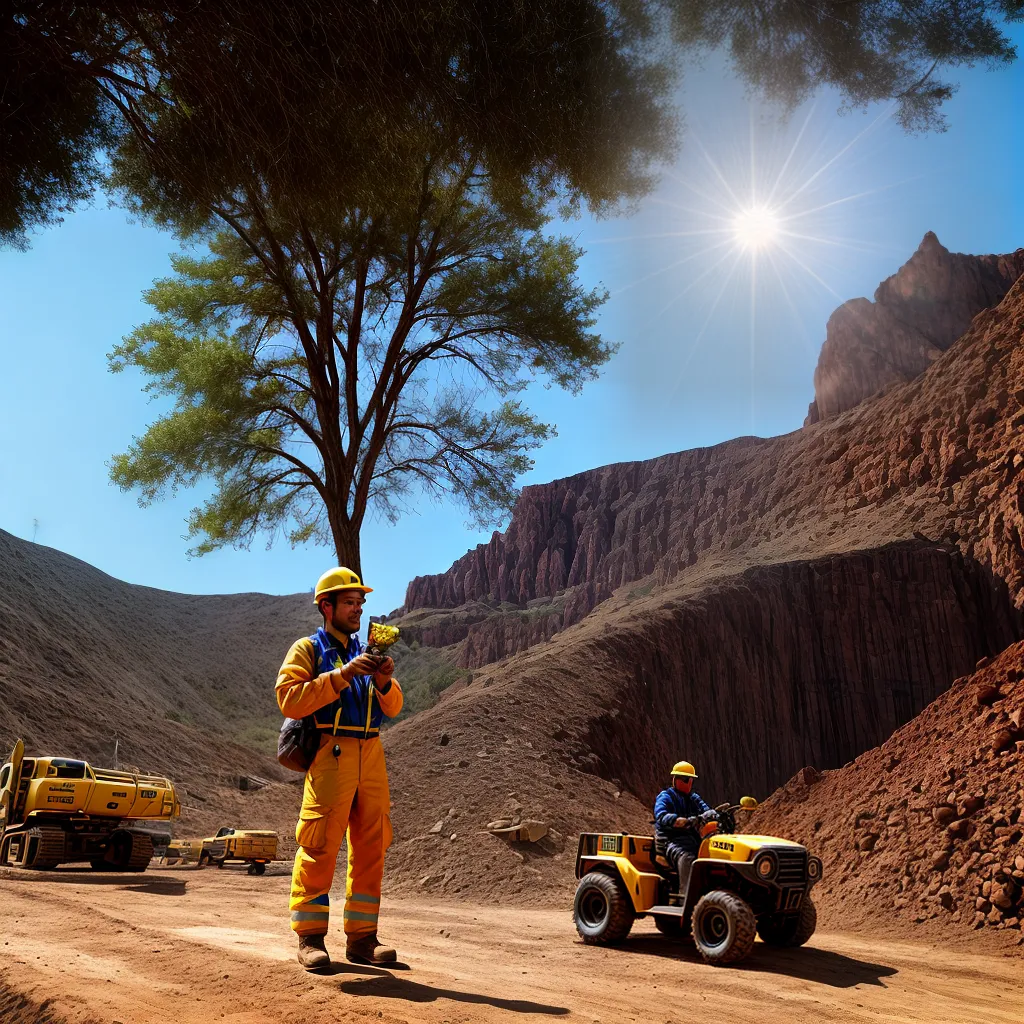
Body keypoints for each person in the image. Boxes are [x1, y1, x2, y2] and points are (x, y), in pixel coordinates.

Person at [276, 566, 404, 971]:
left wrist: (384, 681)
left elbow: (395, 708)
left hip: (372, 753)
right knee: (319, 844)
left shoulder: (368, 651)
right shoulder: (308, 650)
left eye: (360, 602)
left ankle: (363, 939)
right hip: (330, 752)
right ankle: (310, 937)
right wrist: (341, 676)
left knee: (371, 846)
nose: (358, 609)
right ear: (326, 606)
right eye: (350, 602)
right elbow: (289, 699)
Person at [653, 760, 717, 897]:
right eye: (686, 779)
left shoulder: (693, 798)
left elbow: (705, 808)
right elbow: (661, 816)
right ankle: (686, 896)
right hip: (671, 842)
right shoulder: (665, 797)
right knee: (688, 857)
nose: (689, 783)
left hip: (692, 840)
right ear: (676, 780)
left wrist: (712, 814)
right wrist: (681, 821)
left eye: (691, 780)